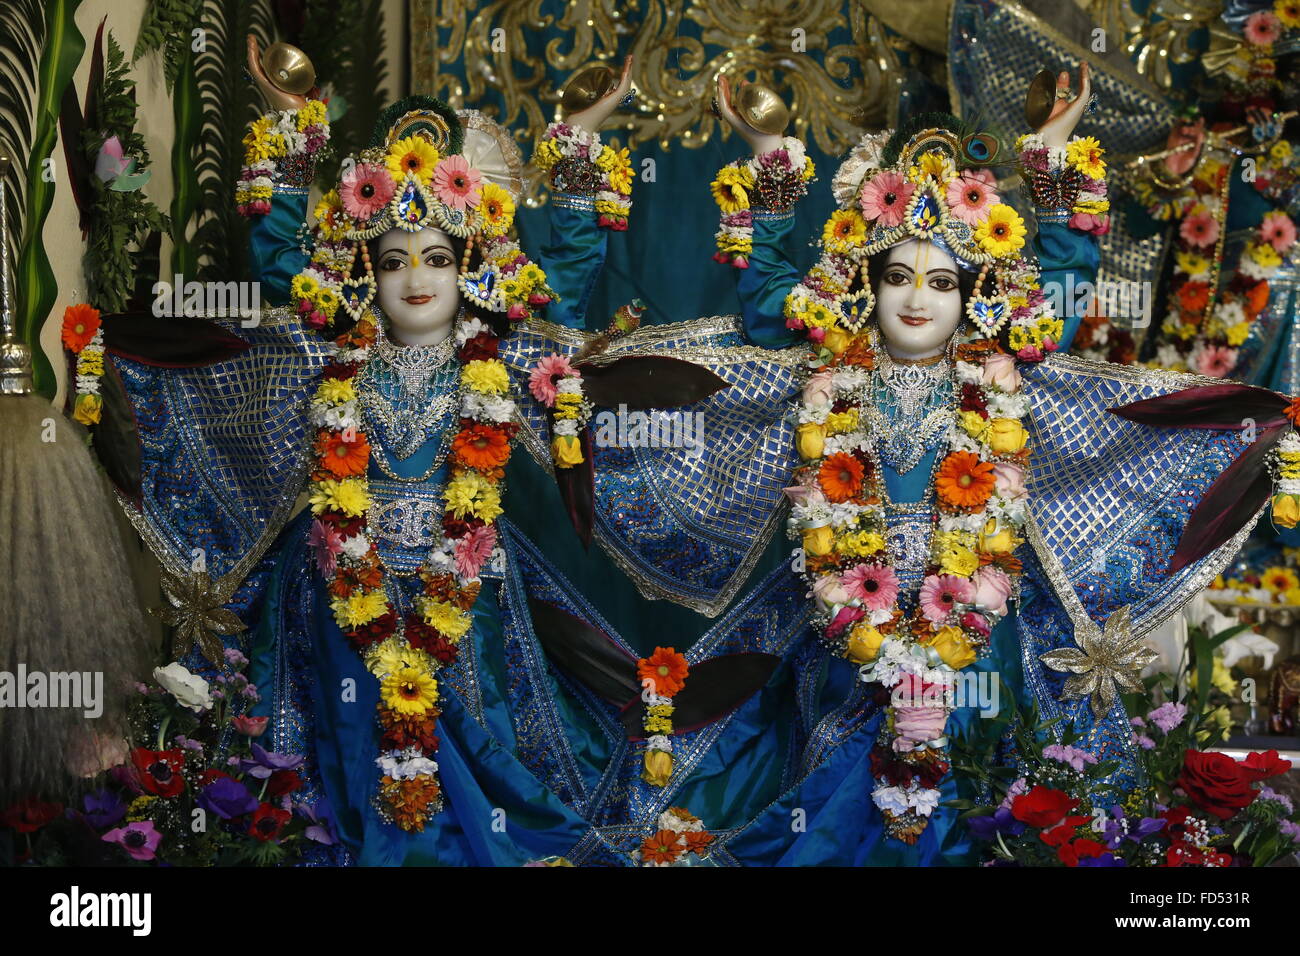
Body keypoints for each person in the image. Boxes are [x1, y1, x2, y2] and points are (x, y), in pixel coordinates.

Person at [697, 63, 1268, 863]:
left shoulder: (999, 373)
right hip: (842, 624)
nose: (916, 300)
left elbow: (1063, 288)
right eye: (895, 277)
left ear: (974, 294)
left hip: (975, 623)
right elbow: (766, 303)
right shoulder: (831, 366)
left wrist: (1055, 151)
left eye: (941, 280)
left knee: (979, 795)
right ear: (865, 287)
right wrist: (765, 151)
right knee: (832, 796)